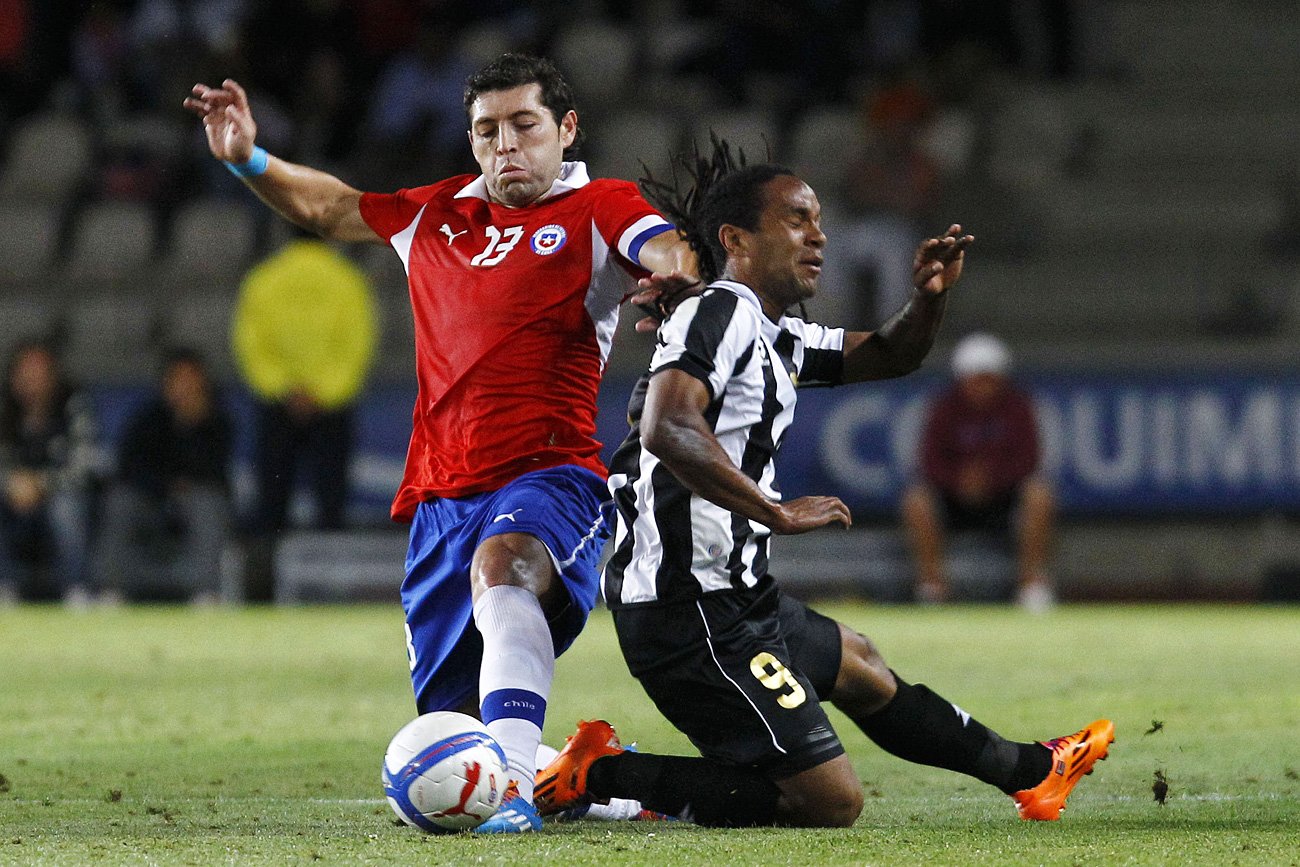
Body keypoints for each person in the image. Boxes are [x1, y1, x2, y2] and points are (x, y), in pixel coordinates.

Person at [184, 53, 696, 832]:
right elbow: (330, 208)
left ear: (566, 128)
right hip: (441, 499)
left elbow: (667, 247)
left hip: (551, 476)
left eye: (525, 125)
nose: (506, 146)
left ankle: (520, 791)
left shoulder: (596, 207)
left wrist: (675, 278)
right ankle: (581, 774)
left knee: (506, 573)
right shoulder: (435, 214)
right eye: (486, 131)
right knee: (463, 736)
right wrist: (248, 157)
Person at [535, 143, 1112, 828]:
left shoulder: (776, 331)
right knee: (828, 800)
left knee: (862, 665)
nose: (820, 236)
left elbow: (891, 352)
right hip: (689, 607)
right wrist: (771, 511)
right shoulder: (719, 311)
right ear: (736, 239)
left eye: (819, 221)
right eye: (799, 220)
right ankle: (596, 772)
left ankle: (1035, 772)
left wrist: (927, 299)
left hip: (734, 592)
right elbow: (669, 427)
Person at [901, 332, 1056, 610]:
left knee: (1039, 495)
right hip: (953, 499)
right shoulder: (944, 409)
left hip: (1003, 498)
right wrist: (959, 481)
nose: (982, 388)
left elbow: (1028, 459)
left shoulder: (1017, 408)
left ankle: (1031, 585)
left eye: (989, 379)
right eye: (975, 379)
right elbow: (930, 461)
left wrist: (991, 480)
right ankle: (932, 587)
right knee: (917, 501)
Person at [95, 348, 233, 605]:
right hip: (151, 499)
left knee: (209, 503)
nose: (185, 387)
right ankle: (110, 588)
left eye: (191, 379)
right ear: (165, 384)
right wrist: (166, 485)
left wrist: (191, 426)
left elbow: (215, 472)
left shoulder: (217, 421)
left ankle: (205, 591)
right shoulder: (148, 419)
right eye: (178, 379)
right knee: (120, 500)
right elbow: (129, 468)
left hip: (194, 501)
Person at [0, 339, 97, 606]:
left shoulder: (74, 407)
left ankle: (76, 590)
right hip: (13, 503)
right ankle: (4, 589)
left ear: (54, 377)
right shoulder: (5, 410)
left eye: (40, 373)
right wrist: (12, 483)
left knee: (67, 507)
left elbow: (84, 467)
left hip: (59, 499)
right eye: (25, 372)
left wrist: (40, 484)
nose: (32, 380)